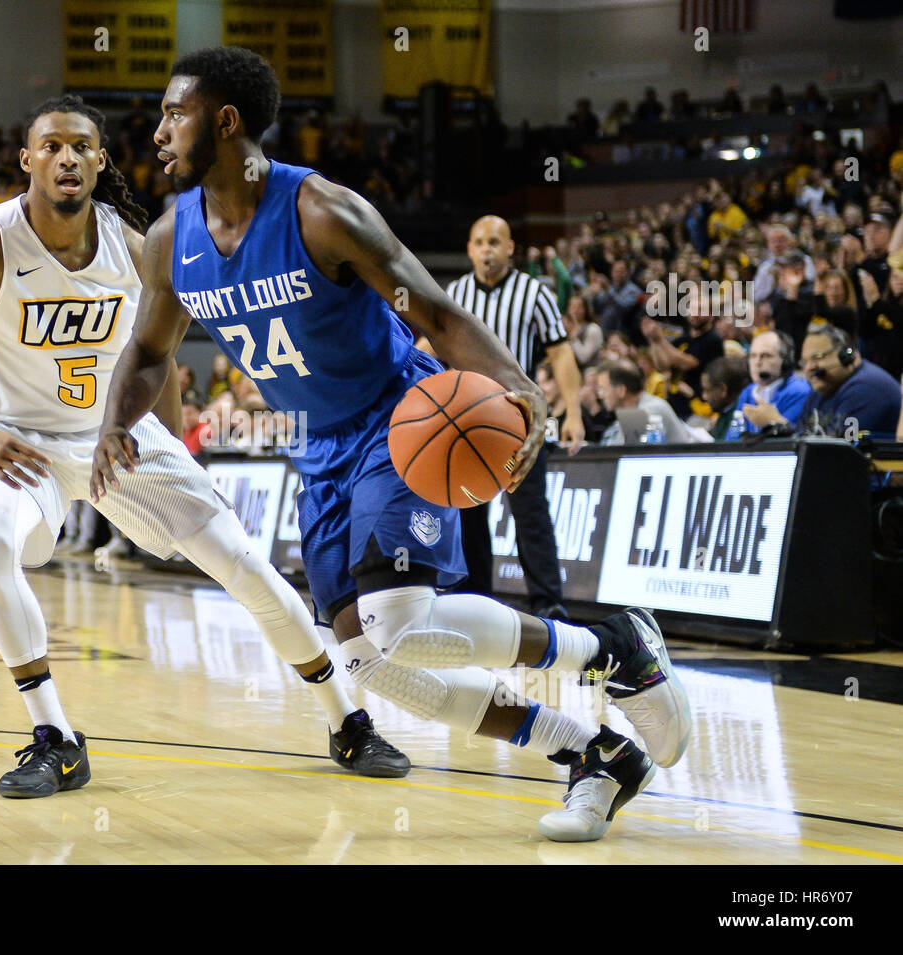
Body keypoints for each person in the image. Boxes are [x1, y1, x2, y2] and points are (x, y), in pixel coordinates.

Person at [92, 47, 690, 842]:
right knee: (371, 661)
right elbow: (150, 352)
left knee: (398, 621)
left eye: (175, 112)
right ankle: (594, 753)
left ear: (225, 121)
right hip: (316, 448)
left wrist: (523, 391)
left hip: (398, 419)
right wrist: (114, 424)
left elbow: (435, 314)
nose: (159, 129)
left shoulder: (323, 212)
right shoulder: (169, 240)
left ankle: (610, 645)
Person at [0, 94, 410, 802]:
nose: (66, 157)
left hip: (114, 439)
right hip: (18, 444)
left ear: (100, 161)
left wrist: (160, 436)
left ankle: (347, 718)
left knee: (243, 564)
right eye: (51, 146)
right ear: (27, 161)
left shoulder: (136, 246)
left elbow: (154, 354)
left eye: (80, 147)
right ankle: (57, 739)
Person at [436, 214, 581, 619]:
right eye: (479, 241)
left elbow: (561, 352)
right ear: (469, 249)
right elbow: (429, 347)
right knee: (467, 514)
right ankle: (474, 599)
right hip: (465, 422)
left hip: (520, 422)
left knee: (531, 513)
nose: (487, 249)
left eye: (495, 241)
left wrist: (573, 411)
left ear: (510, 248)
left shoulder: (534, 293)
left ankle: (548, 602)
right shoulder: (454, 294)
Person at [799, 324, 901, 438]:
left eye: (817, 357)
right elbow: (800, 436)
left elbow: (838, 447)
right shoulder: (822, 388)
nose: (808, 368)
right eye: (804, 361)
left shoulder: (867, 387)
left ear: (846, 355)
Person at [595, 359, 695, 445]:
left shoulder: (650, 411)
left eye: (602, 389)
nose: (600, 395)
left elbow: (636, 457)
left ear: (621, 390)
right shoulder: (631, 414)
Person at [735, 329, 813, 434]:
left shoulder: (800, 392)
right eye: (753, 356)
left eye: (766, 356)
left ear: (785, 361)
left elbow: (784, 440)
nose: (757, 362)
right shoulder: (747, 393)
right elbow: (733, 437)